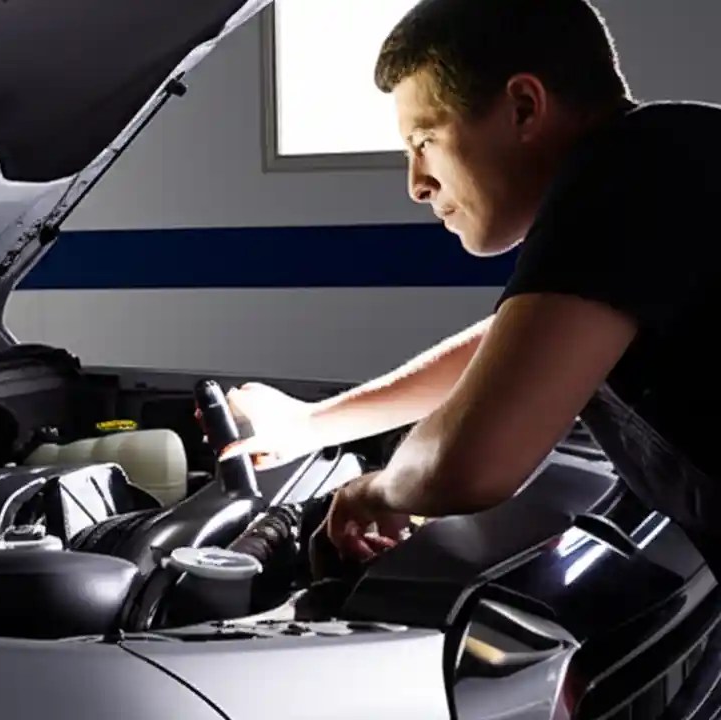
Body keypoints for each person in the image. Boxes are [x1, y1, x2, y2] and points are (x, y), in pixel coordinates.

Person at [223, 0, 721, 567]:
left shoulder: (627, 174)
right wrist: (309, 423)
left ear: (524, 108)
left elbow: (467, 467)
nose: (417, 184)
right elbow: (522, 346)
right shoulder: (668, 157)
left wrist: (372, 490)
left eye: (424, 142)